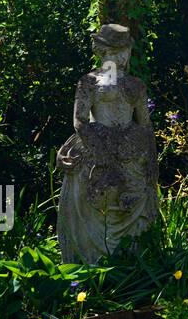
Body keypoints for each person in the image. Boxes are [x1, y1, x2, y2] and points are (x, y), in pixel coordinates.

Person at [56, 23, 159, 263]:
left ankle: (126, 263)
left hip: (128, 149)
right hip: (98, 146)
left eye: (123, 51)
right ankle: (91, 264)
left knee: (129, 200)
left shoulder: (135, 85)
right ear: (104, 52)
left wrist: (151, 159)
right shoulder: (89, 82)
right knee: (93, 205)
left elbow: (145, 125)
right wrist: (100, 151)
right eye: (118, 51)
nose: (122, 56)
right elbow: (79, 121)